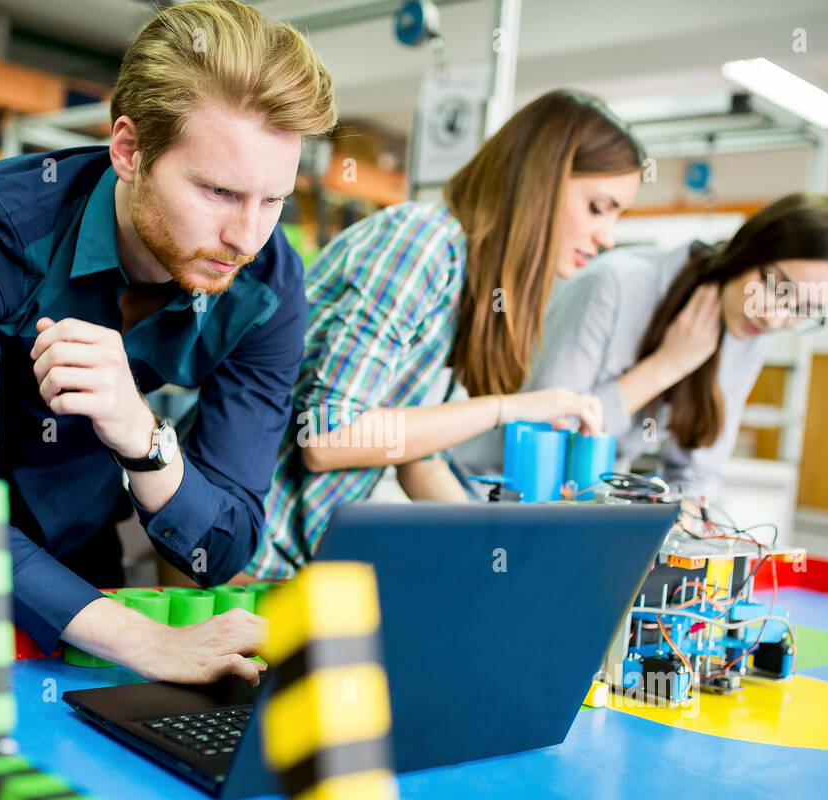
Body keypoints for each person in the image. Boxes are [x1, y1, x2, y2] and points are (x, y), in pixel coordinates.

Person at [0, 0, 335, 684]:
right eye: (219, 192)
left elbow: (220, 548)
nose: (247, 237)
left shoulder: (271, 286)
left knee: (96, 733)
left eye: (273, 200)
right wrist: (145, 640)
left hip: (75, 515)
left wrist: (145, 438)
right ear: (130, 151)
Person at [242, 90, 644, 581]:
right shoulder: (422, 244)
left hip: (291, 556)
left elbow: (417, 457)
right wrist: (505, 407)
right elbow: (328, 438)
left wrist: (501, 553)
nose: (608, 238)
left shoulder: (468, 280)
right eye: (599, 207)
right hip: (243, 543)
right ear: (542, 182)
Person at [499, 191, 828, 505]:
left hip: (590, 507)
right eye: (778, 288)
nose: (776, 318)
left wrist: (686, 516)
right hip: (500, 492)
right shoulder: (616, 285)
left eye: (804, 310)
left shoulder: (748, 334)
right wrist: (667, 365)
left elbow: (700, 473)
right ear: (749, 249)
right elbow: (547, 436)